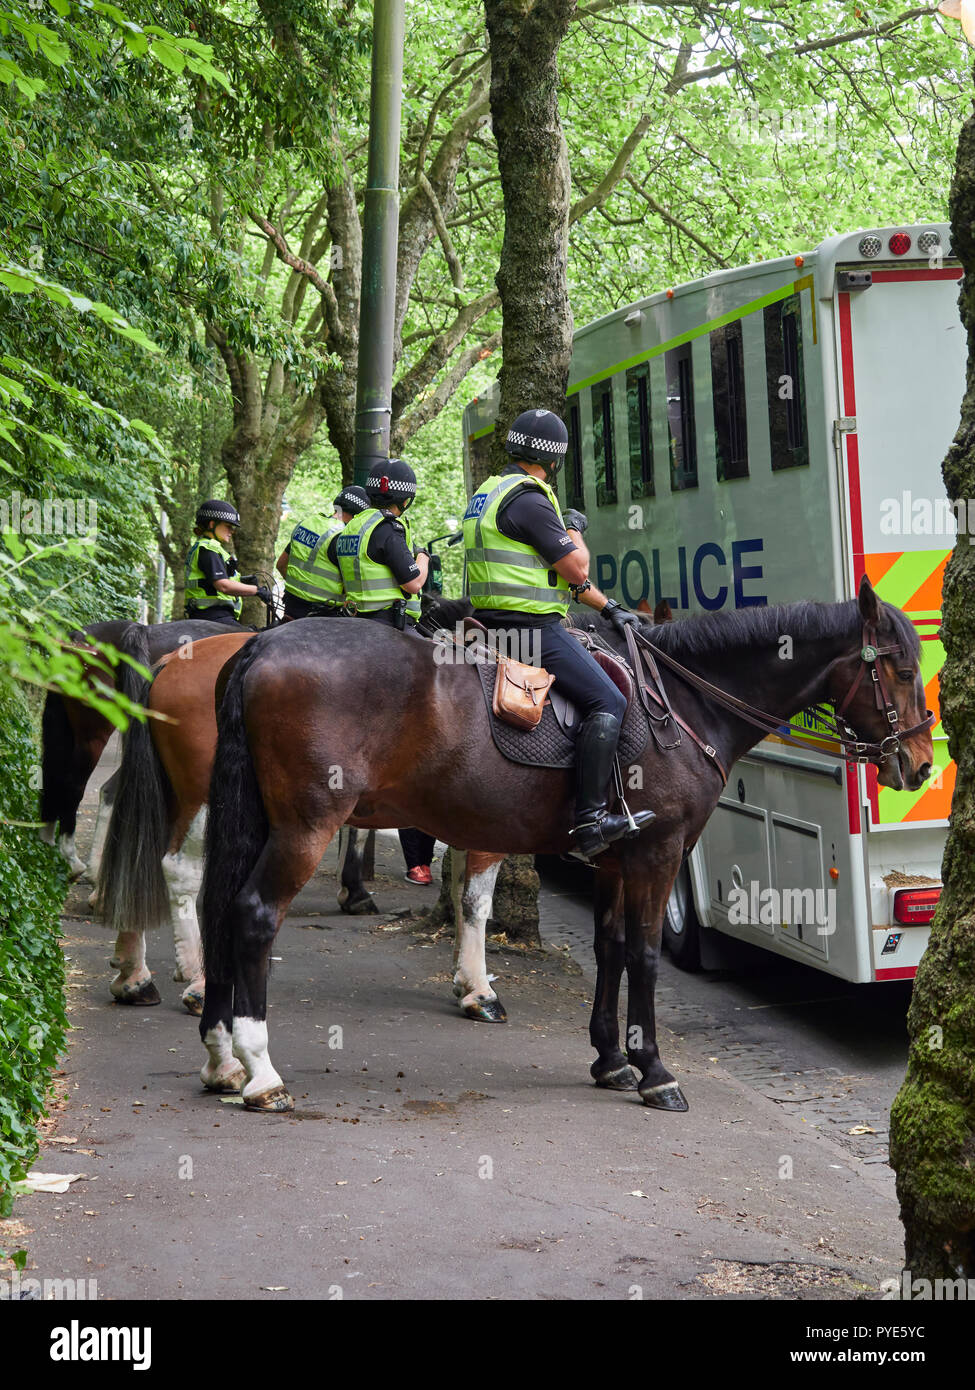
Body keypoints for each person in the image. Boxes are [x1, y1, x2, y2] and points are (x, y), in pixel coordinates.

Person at [462, 408, 656, 861]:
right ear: (553, 460)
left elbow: (567, 582)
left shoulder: (491, 491)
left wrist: (611, 608)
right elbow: (577, 567)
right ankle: (590, 821)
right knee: (608, 700)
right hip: (529, 630)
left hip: (490, 623)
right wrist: (573, 529)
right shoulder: (530, 500)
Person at [335, 459, 430, 630]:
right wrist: (423, 557)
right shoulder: (388, 528)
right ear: (406, 501)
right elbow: (413, 584)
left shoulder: (353, 527)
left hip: (354, 618)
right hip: (387, 622)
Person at [276, 485, 370, 621]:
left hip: (290, 609)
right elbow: (354, 590)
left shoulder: (307, 523)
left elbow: (281, 565)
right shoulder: (343, 538)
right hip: (323, 618)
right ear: (358, 516)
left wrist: (301, 593)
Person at [184, 500, 269, 625]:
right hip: (212, 615)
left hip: (212, 614)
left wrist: (243, 581)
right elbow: (223, 585)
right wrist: (256, 590)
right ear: (212, 524)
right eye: (228, 526)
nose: (232, 531)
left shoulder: (208, 547)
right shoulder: (208, 549)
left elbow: (211, 582)